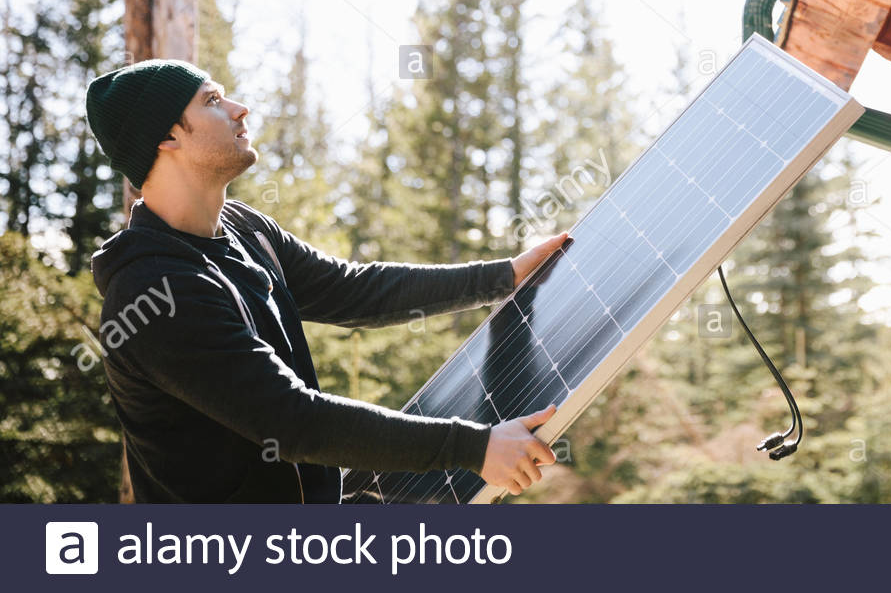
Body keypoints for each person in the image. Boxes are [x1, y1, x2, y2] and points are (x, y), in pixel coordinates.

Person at [85, 57, 565, 503]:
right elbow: (294, 421)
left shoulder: (246, 230)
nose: (238, 108)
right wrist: (473, 447)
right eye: (212, 101)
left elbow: (354, 288)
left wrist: (501, 277)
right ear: (167, 137)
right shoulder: (155, 291)